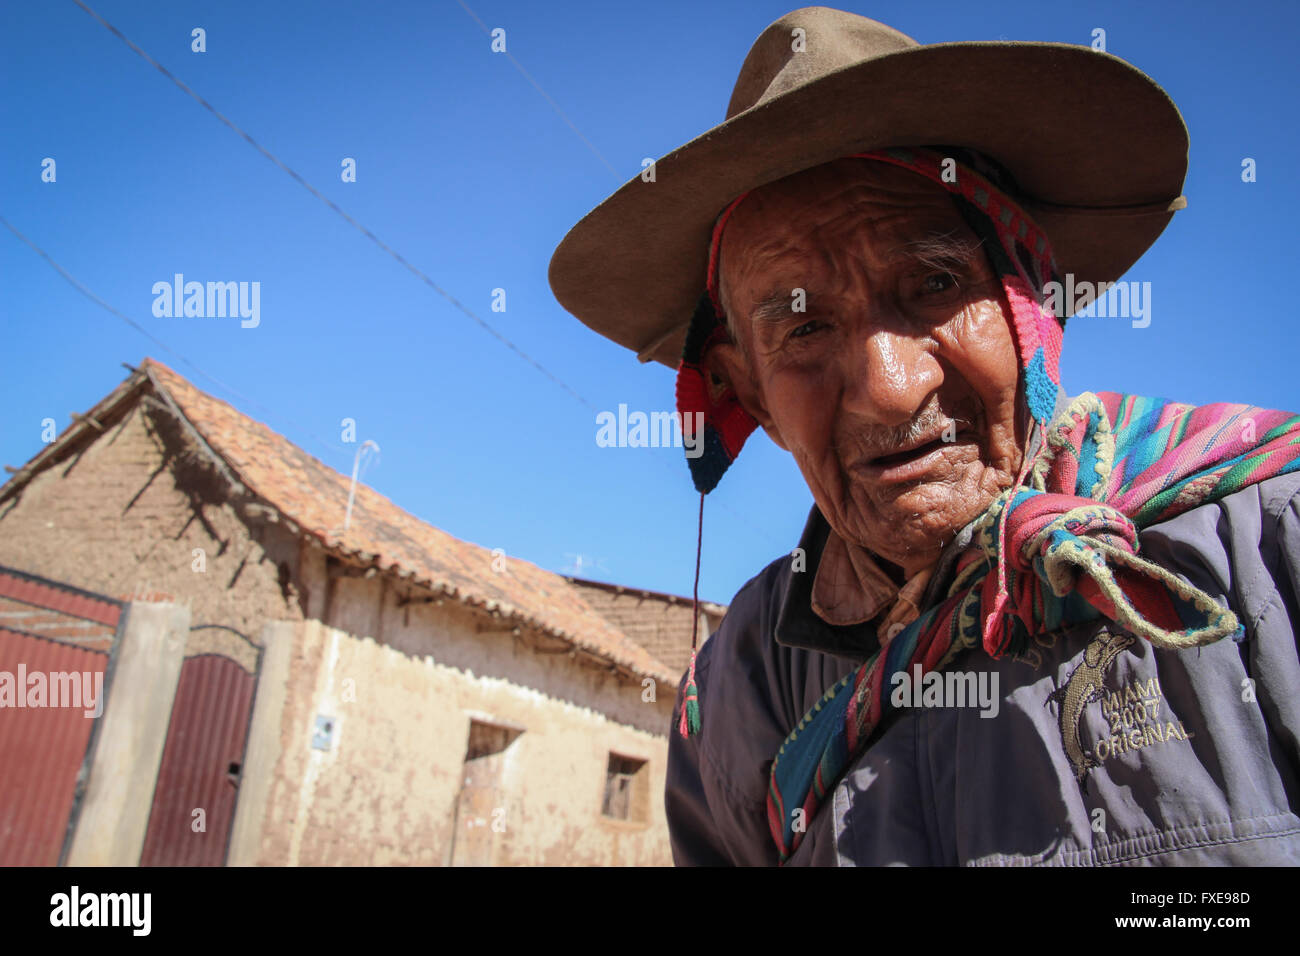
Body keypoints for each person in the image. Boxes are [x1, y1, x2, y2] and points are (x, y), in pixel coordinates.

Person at [549, 7, 1300, 865]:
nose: (890, 388)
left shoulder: (1267, 538)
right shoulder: (742, 690)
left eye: (936, 282)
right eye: (802, 330)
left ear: (1029, 308)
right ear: (745, 391)